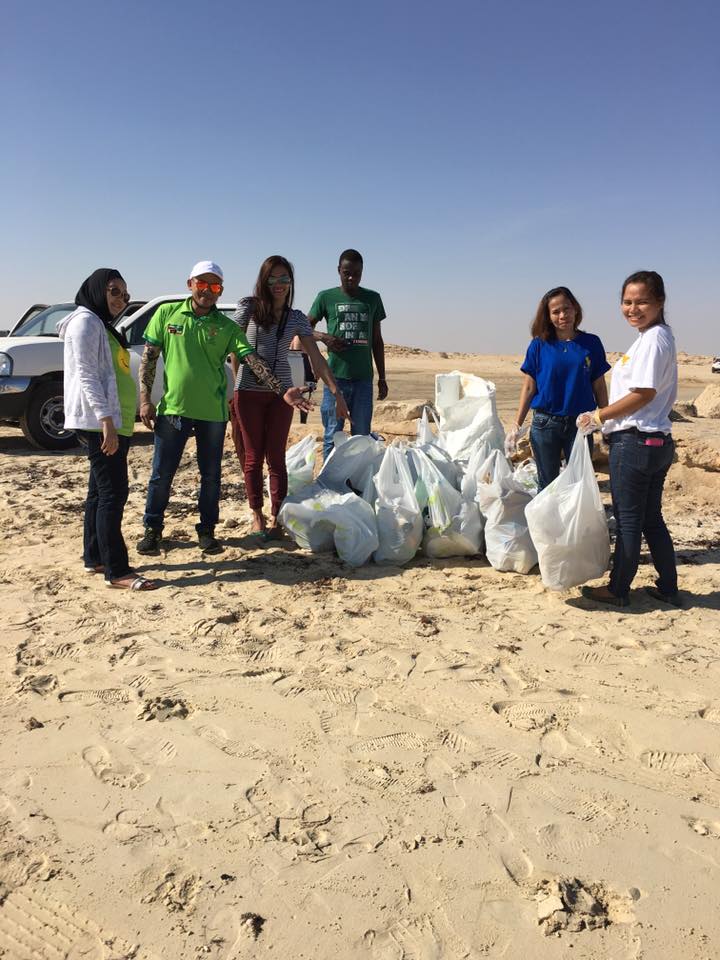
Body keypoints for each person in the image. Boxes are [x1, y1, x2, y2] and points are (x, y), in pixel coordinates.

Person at [137, 261, 310, 556]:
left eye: (214, 286)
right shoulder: (166, 314)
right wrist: (144, 399)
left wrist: (282, 391)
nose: (207, 290)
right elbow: (149, 357)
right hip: (173, 411)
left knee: (211, 476)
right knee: (161, 474)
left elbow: (251, 359)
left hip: (212, 414)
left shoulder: (227, 326)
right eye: (202, 284)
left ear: (221, 291)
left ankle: (207, 531)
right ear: (190, 283)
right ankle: (152, 529)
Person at [577, 271, 680, 608]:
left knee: (630, 520)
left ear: (659, 302)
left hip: (636, 442)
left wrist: (599, 416)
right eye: (627, 301)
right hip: (656, 442)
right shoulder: (654, 336)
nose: (633, 308)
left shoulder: (652, 340)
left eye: (642, 302)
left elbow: (644, 393)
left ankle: (618, 588)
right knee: (651, 517)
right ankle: (668, 587)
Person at [231, 256, 349, 537]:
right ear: (263, 280)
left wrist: (336, 392)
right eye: (273, 278)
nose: (279, 284)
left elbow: (316, 358)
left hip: (284, 394)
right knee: (252, 456)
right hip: (248, 391)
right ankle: (256, 513)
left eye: (285, 278)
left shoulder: (296, 318)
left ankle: (276, 516)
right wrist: (236, 387)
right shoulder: (248, 307)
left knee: (276, 456)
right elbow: (235, 347)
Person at [59, 268, 156, 590]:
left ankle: (95, 557)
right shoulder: (86, 322)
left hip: (112, 420)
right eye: (114, 292)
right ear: (98, 290)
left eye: (125, 295)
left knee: (99, 492)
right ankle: (118, 571)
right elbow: (86, 374)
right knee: (114, 493)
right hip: (100, 422)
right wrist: (106, 422)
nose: (120, 299)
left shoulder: (98, 323)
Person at [507, 286, 610, 490]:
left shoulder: (591, 343)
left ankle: (574, 523)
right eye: (556, 312)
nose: (563, 315)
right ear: (547, 316)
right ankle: (548, 523)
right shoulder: (539, 345)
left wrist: (605, 420)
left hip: (582, 424)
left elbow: (598, 385)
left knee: (579, 483)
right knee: (548, 484)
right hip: (545, 424)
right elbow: (529, 386)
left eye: (567, 308)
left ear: (575, 309)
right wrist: (516, 425)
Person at [307, 249, 388, 461]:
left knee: (361, 437)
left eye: (356, 273)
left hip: (363, 380)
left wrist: (383, 378)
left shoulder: (373, 298)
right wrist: (324, 337)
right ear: (338, 271)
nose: (351, 278)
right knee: (332, 436)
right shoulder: (326, 297)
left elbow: (377, 341)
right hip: (335, 380)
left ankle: (356, 485)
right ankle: (328, 486)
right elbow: (304, 328)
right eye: (346, 273)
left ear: (362, 272)